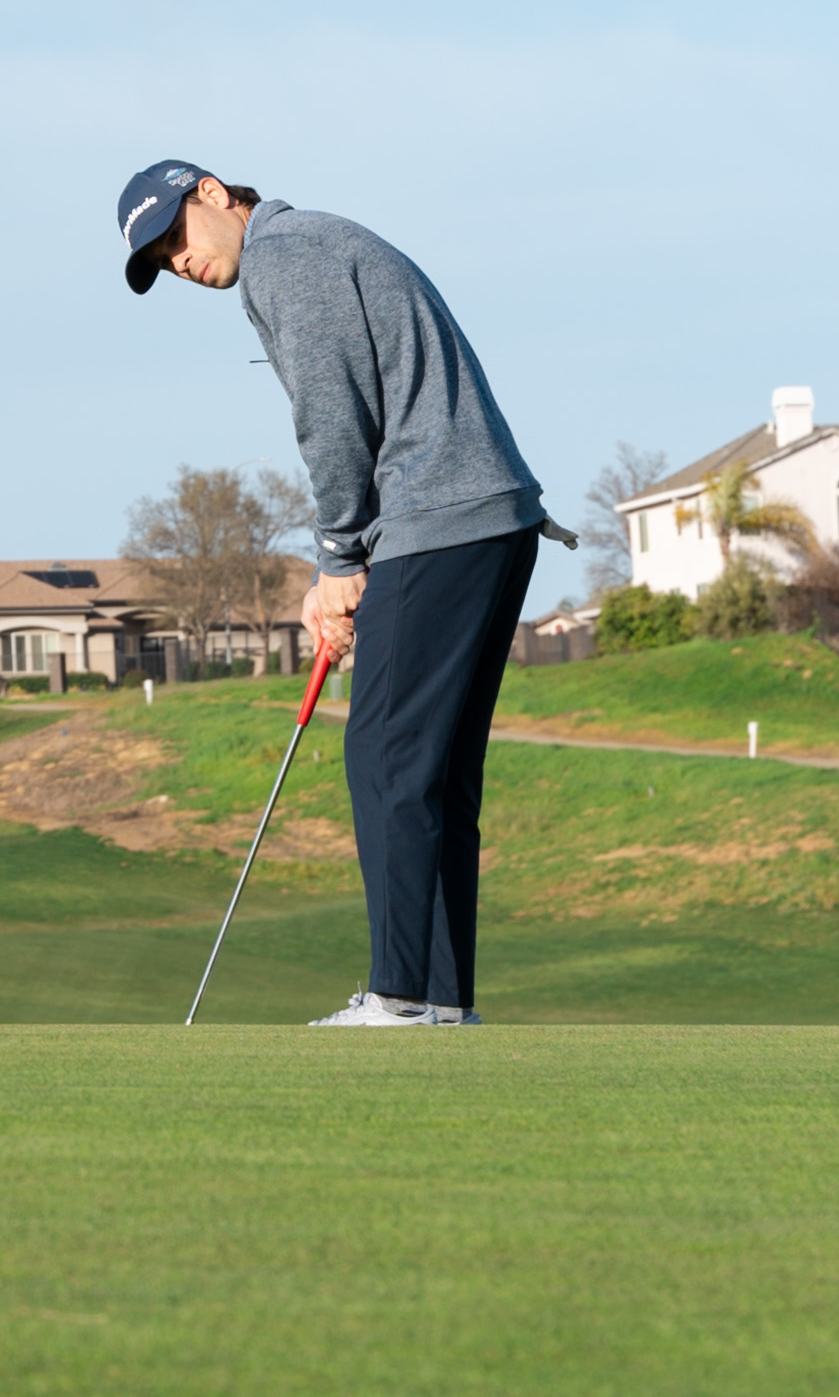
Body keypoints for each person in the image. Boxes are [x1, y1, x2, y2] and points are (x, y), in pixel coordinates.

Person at [115, 157, 554, 1027]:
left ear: (214, 193)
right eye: (161, 261)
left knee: (386, 756)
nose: (179, 262)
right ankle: (437, 1000)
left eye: (174, 236)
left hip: (440, 516)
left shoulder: (287, 253)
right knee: (431, 774)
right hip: (486, 517)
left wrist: (340, 557)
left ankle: (399, 996)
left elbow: (331, 412)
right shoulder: (315, 243)